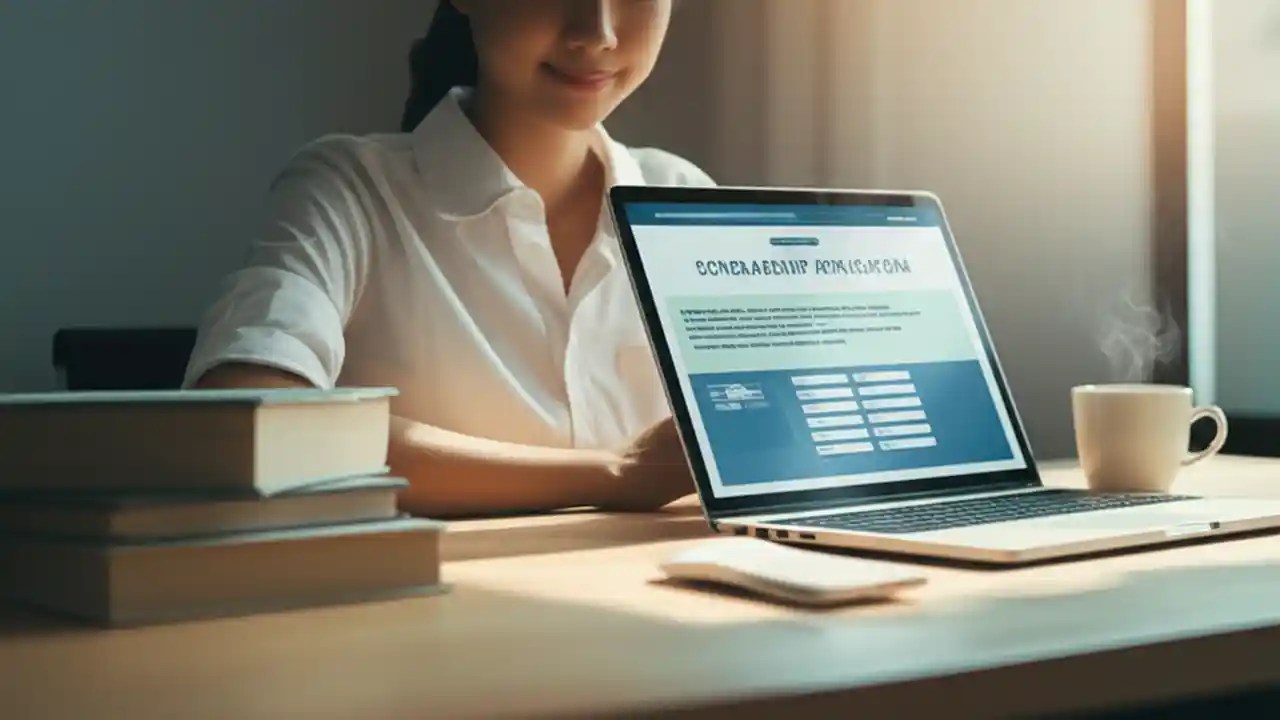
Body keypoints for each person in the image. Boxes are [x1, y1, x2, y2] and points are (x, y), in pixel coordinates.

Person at [185, 0, 711, 517]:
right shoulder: (352, 192)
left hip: (685, 598)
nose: (597, 31)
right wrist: (616, 472)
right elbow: (247, 419)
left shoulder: (686, 200)